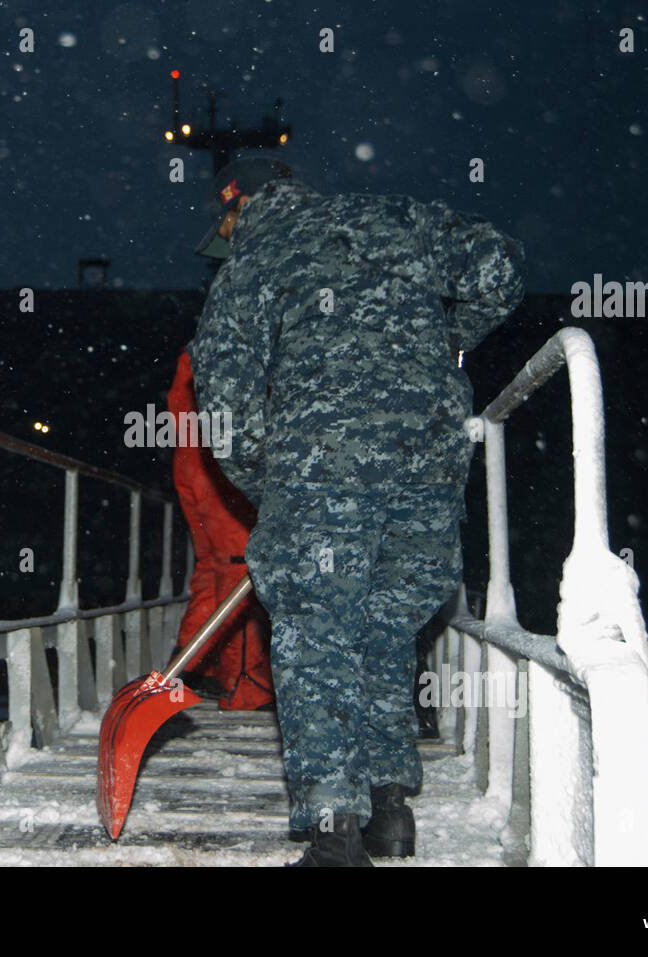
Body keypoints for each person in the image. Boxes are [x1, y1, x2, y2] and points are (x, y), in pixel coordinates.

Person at [188, 156, 524, 866]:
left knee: (318, 628)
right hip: (429, 453)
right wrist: (448, 343)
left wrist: (267, 475)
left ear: (237, 214)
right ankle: (390, 809)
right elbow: (498, 267)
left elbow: (225, 406)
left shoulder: (251, 265)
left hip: (322, 461)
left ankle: (335, 830)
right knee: (385, 620)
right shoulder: (397, 214)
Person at [168, 348, 274, 711]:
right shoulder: (245, 339)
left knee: (213, 567)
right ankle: (244, 683)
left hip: (195, 460)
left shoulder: (201, 346)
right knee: (237, 568)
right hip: (220, 465)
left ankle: (188, 670)